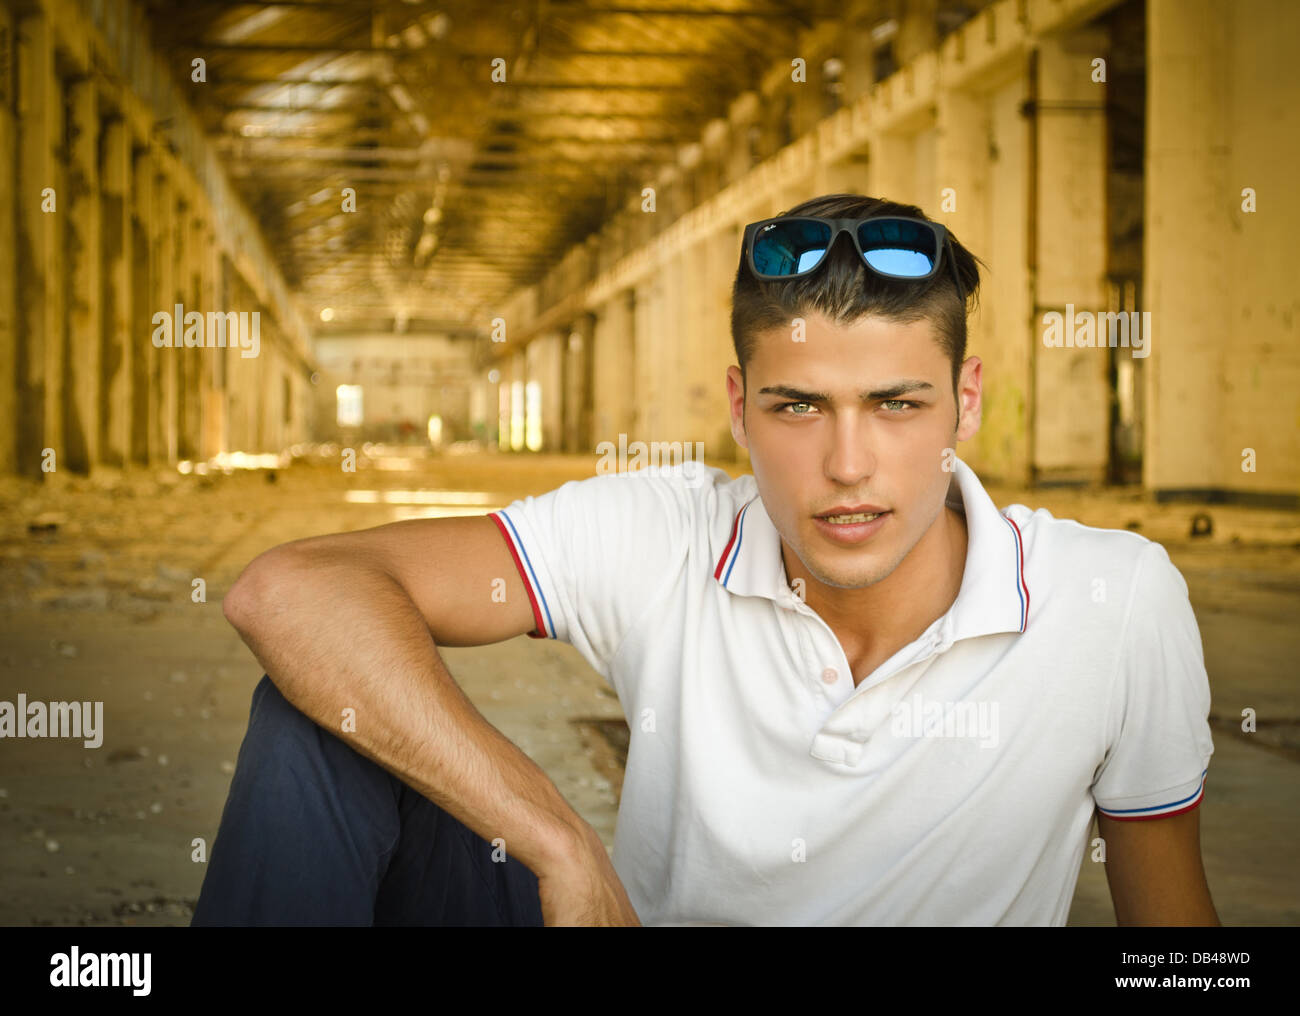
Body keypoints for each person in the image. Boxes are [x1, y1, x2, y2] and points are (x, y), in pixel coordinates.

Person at [193, 193, 1217, 926]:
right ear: (739, 406)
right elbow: (290, 590)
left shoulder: (1110, 599)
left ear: (967, 397)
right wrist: (558, 840)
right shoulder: (665, 533)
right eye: (798, 405)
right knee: (319, 715)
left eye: (897, 404)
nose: (847, 466)